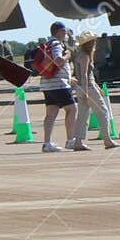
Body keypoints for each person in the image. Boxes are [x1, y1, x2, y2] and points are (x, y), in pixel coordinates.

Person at [68, 31, 116, 151]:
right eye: (93, 41)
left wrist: (96, 88)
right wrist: (86, 92)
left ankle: (78, 141)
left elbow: (86, 75)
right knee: (103, 112)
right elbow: (84, 75)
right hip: (87, 87)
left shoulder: (80, 54)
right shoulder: (85, 56)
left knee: (83, 115)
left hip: (83, 87)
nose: (95, 43)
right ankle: (107, 139)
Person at [38, 22, 78, 151]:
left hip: (47, 83)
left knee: (51, 113)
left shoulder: (47, 44)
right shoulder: (56, 44)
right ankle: (70, 140)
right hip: (59, 84)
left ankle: (47, 143)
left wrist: (68, 77)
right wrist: (68, 55)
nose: (66, 35)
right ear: (59, 31)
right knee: (72, 109)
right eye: (65, 32)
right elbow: (58, 60)